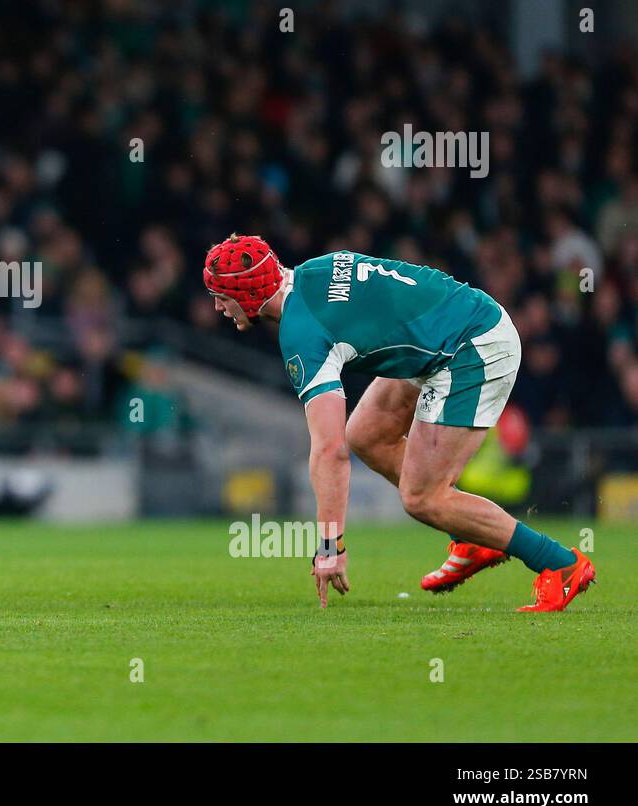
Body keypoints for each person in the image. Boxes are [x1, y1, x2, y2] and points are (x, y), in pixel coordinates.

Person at [202, 233, 595, 612]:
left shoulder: (301, 334)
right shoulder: (316, 269)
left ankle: (559, 563)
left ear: (247, 294)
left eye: (221, 297)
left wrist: (330, 546)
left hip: (471, 347)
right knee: (366, 435)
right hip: (453, 325)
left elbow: (329, 450)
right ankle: (471, 539)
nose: (218, 308)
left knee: (423, 498)